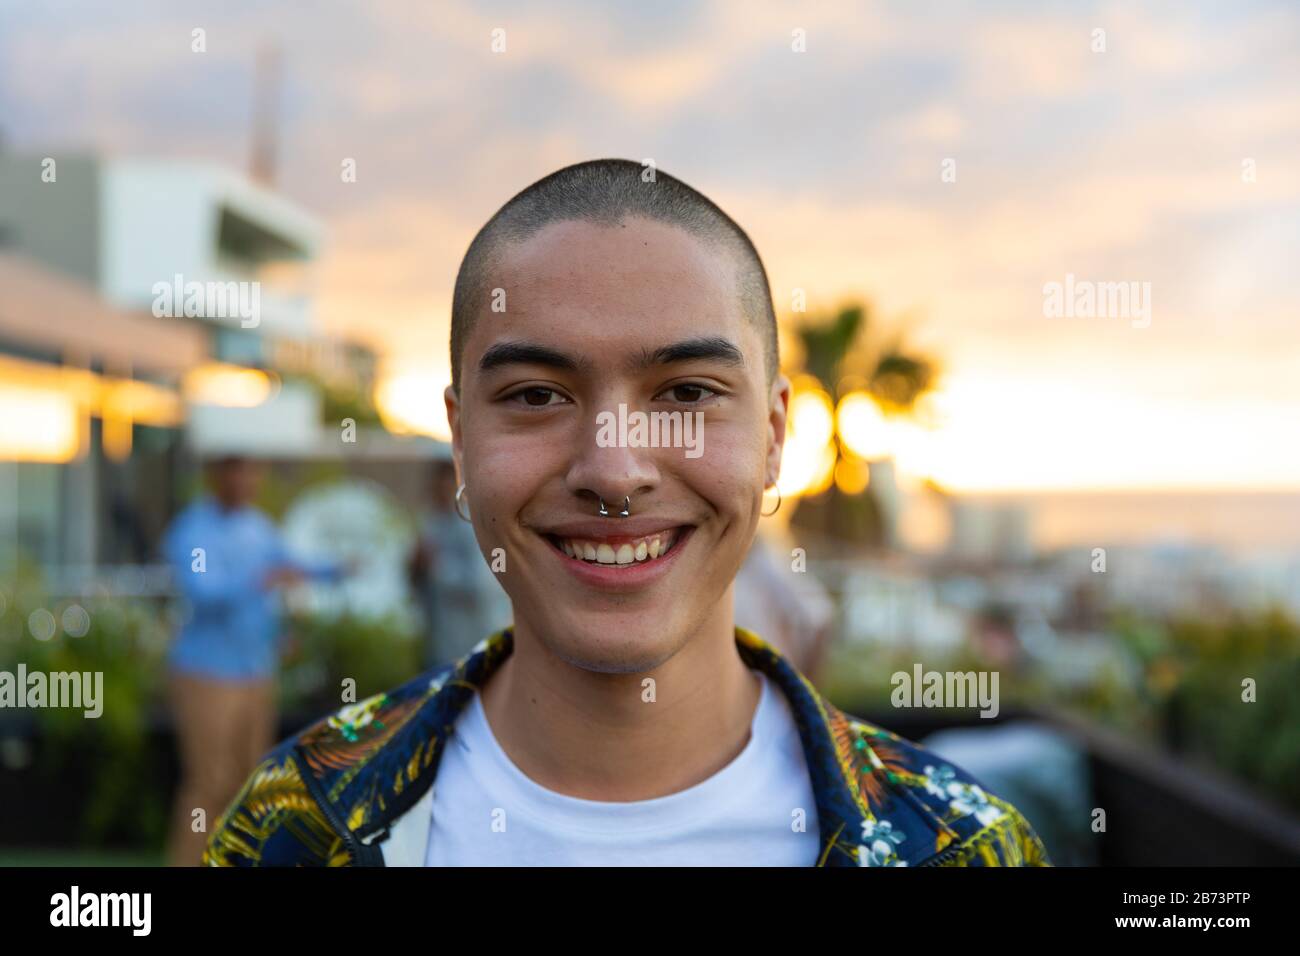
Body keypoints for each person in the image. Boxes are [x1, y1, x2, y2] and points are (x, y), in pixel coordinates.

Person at [205, 160, 1051, 867]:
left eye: (686, 393)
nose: (613, 470)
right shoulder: (299, 823)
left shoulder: (957, 847)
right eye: (536, 395)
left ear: (771, 438)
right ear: (461, 444)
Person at [162, 455, 346, 866]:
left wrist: (337, 569)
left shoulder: (259, 527)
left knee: (249, 781)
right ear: (215, 475)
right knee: (209, 781)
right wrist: (258, 581)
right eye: (235, 469)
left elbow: (291, 567)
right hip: (206, 673)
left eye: (251, 470)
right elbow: (202, 593)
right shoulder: (193, 530)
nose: (245, 479)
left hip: (256, 672)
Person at [406, 458, 510, 670]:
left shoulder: (473, 525)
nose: (439, 491)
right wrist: (415, 567)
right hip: (439, 647)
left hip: (475, 645)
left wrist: (436, 566)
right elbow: (417, 588)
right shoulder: (431, 523)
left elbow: (483, 586)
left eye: (444, 483)